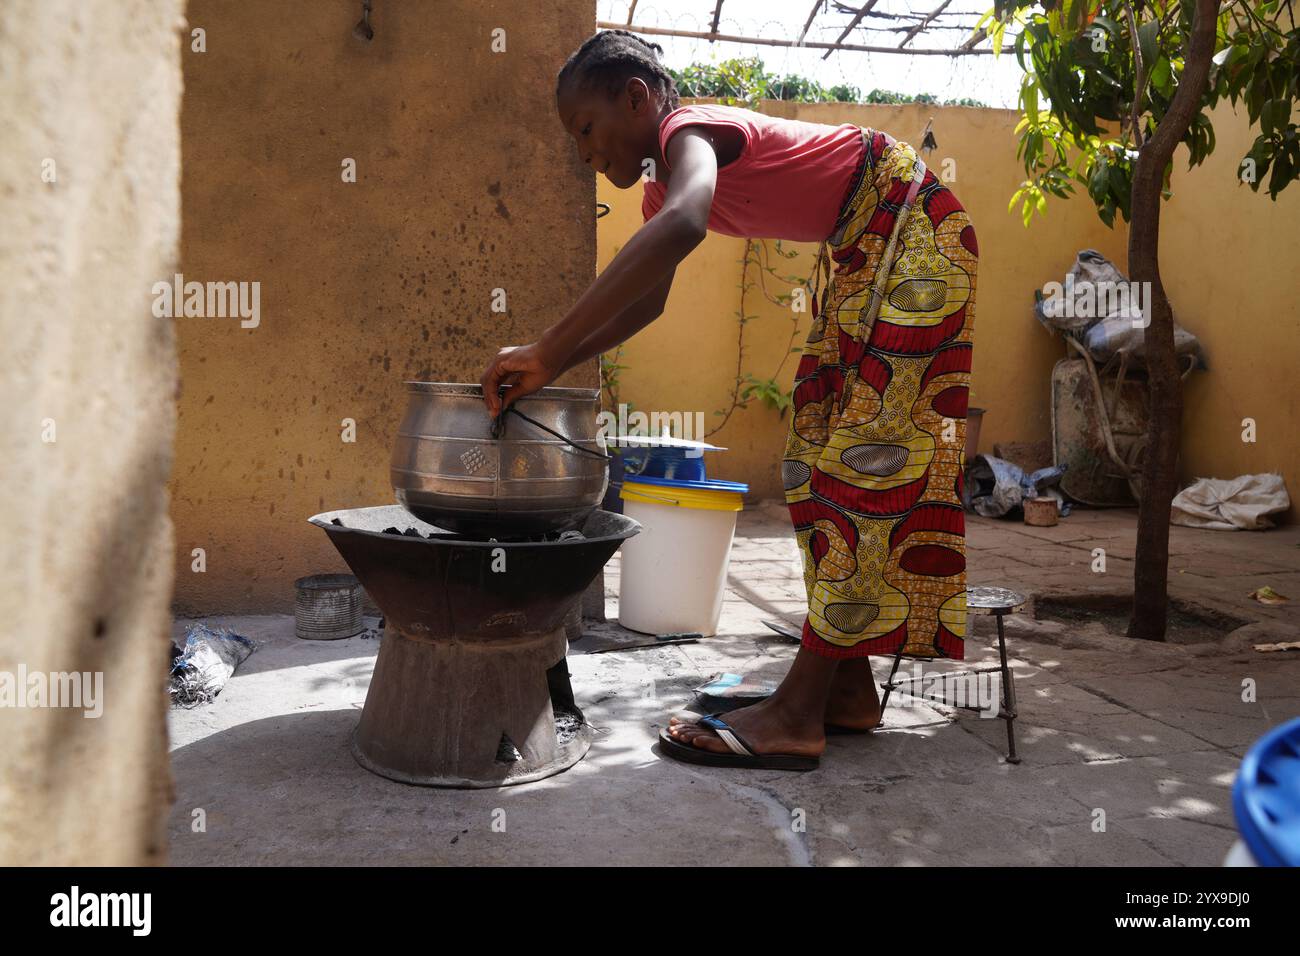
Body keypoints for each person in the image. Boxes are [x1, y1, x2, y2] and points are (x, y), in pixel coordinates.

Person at [480, 29, 978, 771]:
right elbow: (647, 302)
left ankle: (797, 712)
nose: (586, 153)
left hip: (915, 232)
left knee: (861, 468)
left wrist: (547, 348)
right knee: (812, 459)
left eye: (587, 130)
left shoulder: (690, 132)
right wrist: (557, 366)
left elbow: (684, 225)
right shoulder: (663, 184)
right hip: (863, 250)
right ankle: (849, 688)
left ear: (637, 98)